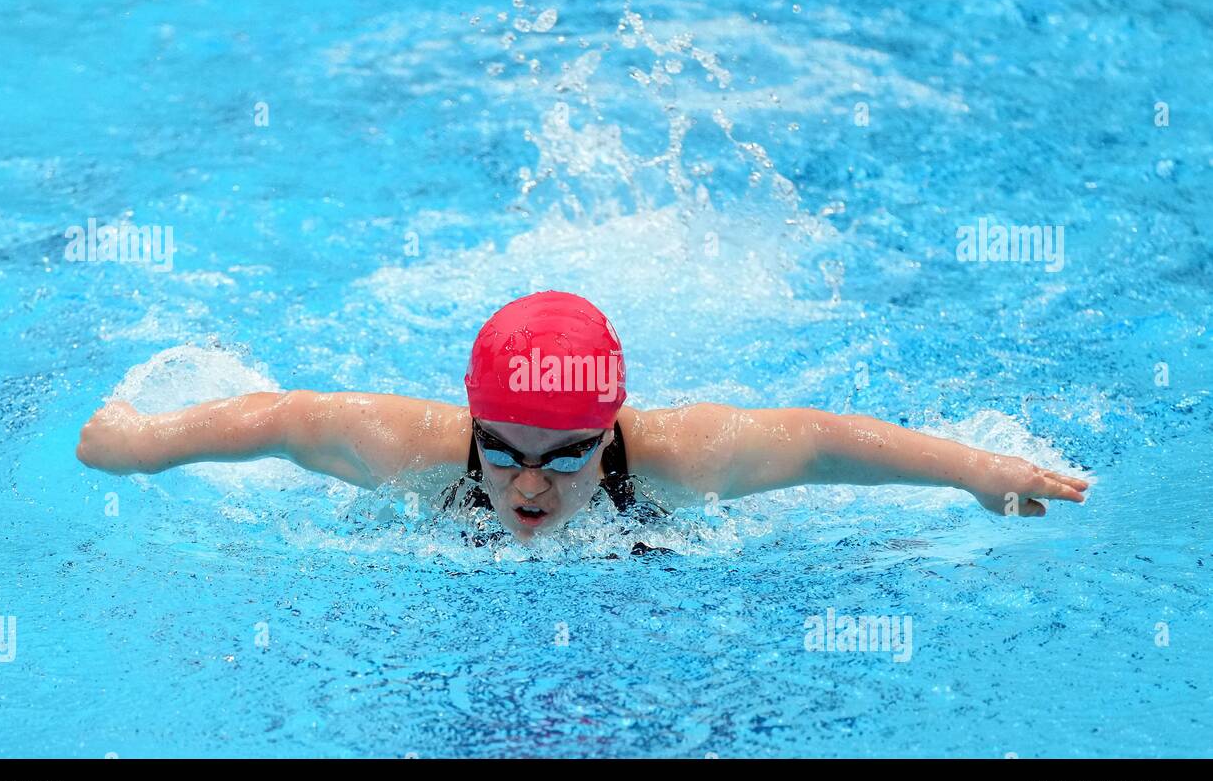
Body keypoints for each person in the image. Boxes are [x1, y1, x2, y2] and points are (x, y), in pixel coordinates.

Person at [76, 290, 1089, 543]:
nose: (524, 486)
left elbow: (821, 440)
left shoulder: (682, 456)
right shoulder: (405, 445)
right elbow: (279, 418)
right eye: (502, 451)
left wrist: (973, 467)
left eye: (563, 461)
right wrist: (142, 446)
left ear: (607, 436)